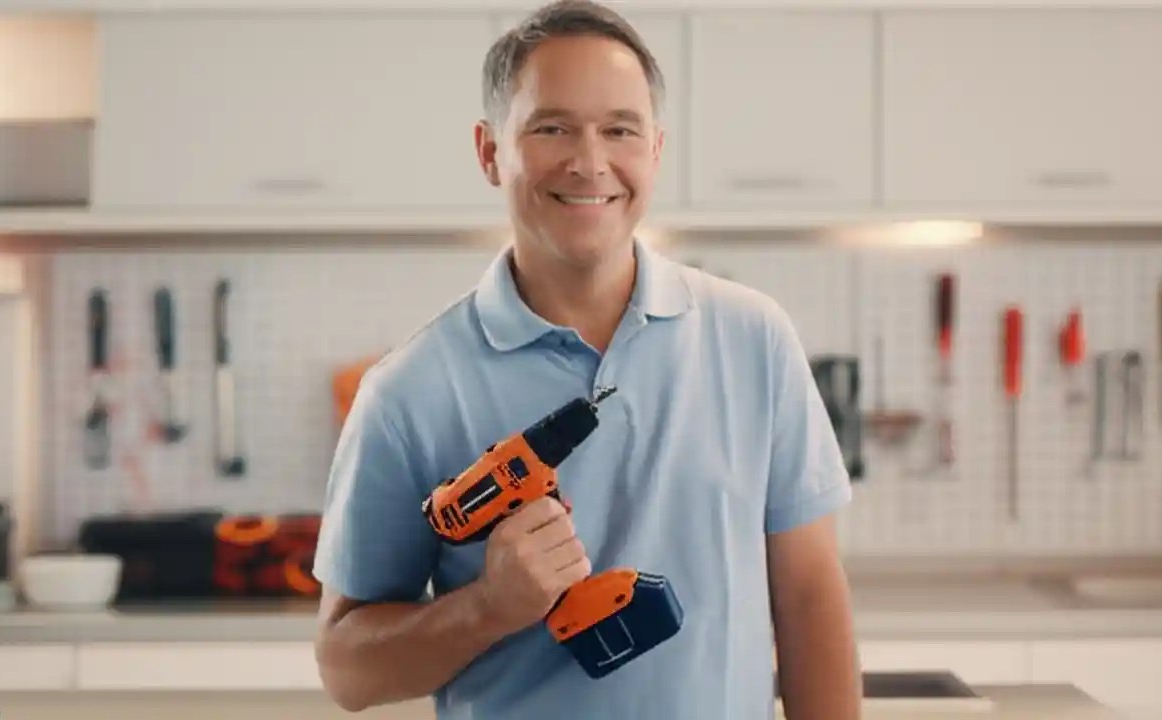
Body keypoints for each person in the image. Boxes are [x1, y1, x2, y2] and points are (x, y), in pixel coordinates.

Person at [312, 1, 862, 718]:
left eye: (619, 130)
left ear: (655, 151)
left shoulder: (753, 339)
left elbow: (811, 598)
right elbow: (347, 672)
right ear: (489, 152)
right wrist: (488, 607)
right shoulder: (407, 391)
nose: (590, 161)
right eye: (551, 127)